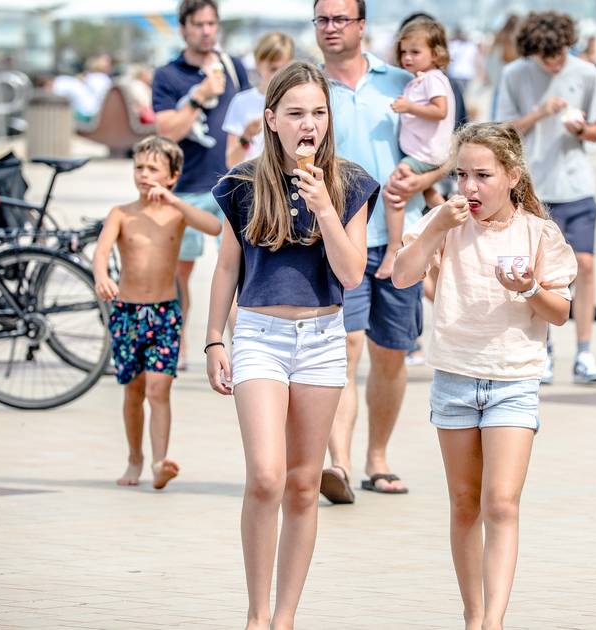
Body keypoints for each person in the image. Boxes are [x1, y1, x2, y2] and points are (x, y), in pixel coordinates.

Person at [204, 61, 378, 629]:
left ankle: (284, 618)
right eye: (297, 113)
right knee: (265, 476)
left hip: (323, 338)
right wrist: (212, 340)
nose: (310, 124)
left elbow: (352, 274)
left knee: (304, 485)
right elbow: (226, 266)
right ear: (271, 119)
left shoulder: (349, 183)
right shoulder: (240, 184)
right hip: (258, 334)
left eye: (319, 113)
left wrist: (325, 205)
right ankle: (256, 617)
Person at [392, 122, 576, 630]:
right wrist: (434, 228)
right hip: (453, 377)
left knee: (501, 502)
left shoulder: (539, 233)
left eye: (482, 175)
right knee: (464, 502)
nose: (469, 187)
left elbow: (560, 312)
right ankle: (472, 614)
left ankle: (493, 620)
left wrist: (528, 289)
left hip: (513, 380)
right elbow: (402, 276)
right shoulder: (445, 222)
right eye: (462, 175)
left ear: (512, 176)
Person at [314, 0, 447, 501]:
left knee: (390, 354)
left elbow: (447, 148)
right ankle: (340, 465)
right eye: (322, 19)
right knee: (342, 350)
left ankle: (377, 458)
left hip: (401, 241)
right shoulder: (309, 88)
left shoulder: (405, 81)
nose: (331, 28)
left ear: (361, 26)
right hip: (336, 242)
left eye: (340, 19)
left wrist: (423, 182)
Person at [92, 136, 222, 490]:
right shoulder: (122, 213)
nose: (144, 174)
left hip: (165, 312)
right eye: (139, 167)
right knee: (133, 391)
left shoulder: (176, 214)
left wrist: (176, 202)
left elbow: (215, 227)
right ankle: (134, 457)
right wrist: (102, 276)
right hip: (127, 313)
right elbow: (102, 253)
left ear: (172, 176)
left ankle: (160, 462)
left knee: (158, 389)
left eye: (153, 169)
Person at [495, 11, 596, 385]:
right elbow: (501, 130)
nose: (553, 63)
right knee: (539, 275)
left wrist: (583, 128)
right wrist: (538, 113)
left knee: (585, 265)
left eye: (559, 55)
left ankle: (584, 354)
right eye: (546, 57)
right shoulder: (515, 74)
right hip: (532, 188)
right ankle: (544, 351)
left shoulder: (585, 73)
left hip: (576, 183)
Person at [152, 0, 250, 370]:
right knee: (180, 272)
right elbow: (167, 132)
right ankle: (179, 347)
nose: (207, 31)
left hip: (233, 186)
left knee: (238, 271)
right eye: (199, 25)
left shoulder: (234, 67)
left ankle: (241, 352)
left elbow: (248, 118)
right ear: (184, 28)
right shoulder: (168, 75)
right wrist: (199, 95)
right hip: (187, 187)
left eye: (212, 24)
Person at [390, 17, 455, 210]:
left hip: (426, 154)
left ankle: (394, 240)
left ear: (435, 54)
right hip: (425, 152)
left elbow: (440, 110)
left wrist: (409, 107)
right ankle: (448, 221)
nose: (407, 57)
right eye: (404, 52)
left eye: (415, 52)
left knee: (396, 185)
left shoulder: (432, 80)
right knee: (428, 192)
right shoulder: (424, 79)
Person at [224, 32, 295, 167]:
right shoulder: (241, 102)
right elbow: (231, 163)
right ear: (257, 63)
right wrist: (246, 136)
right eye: (273, 68)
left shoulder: (299, 101)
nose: (278, 75)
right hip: (251, 182)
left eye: (284, 69)